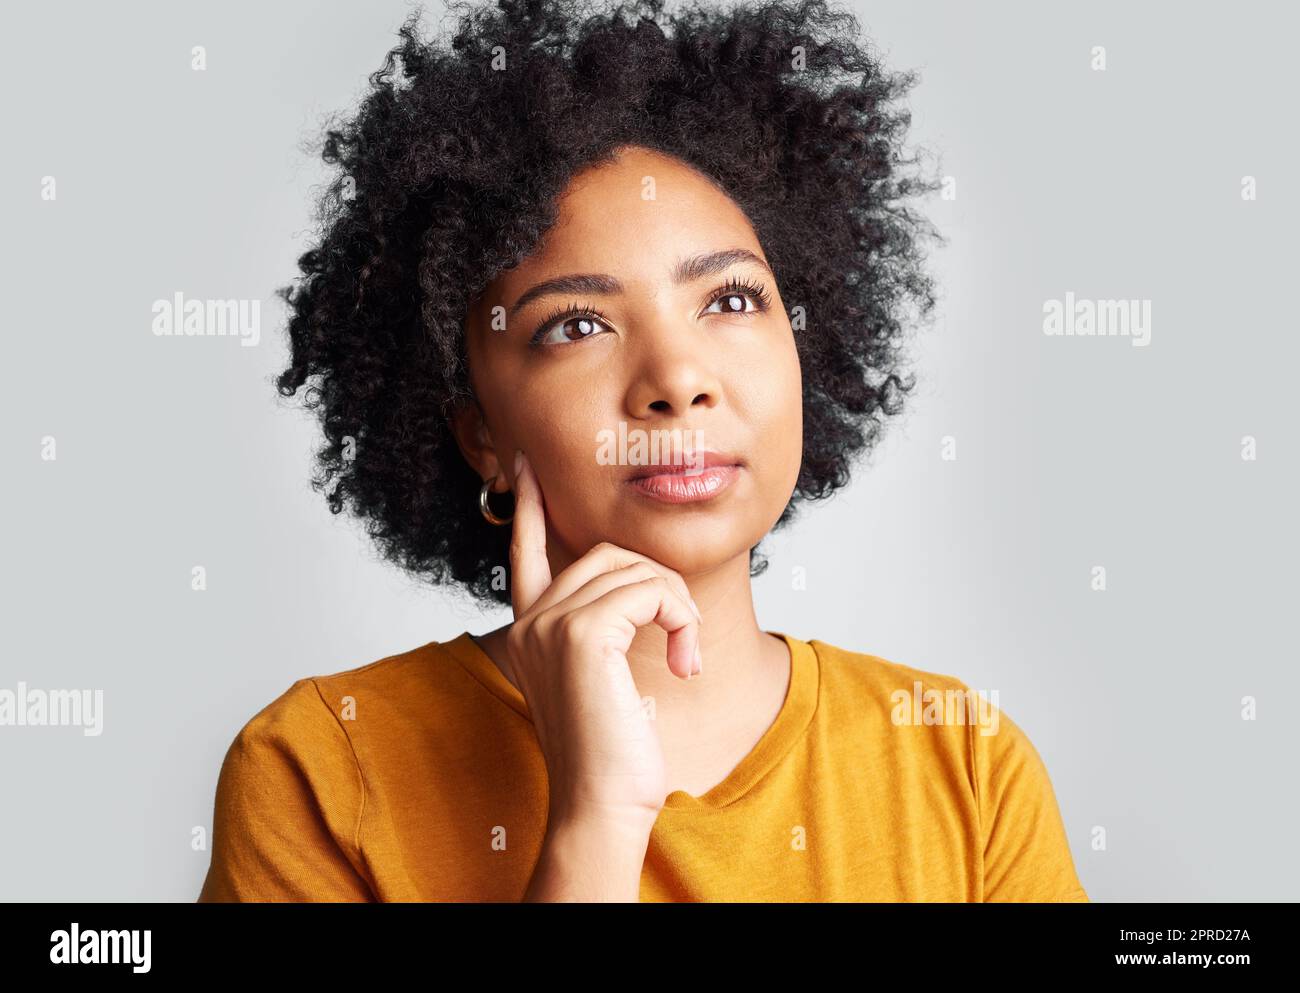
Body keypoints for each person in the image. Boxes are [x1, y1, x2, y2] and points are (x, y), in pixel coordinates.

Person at [198, 0, 1087, 902]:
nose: (677, 378)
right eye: (576, 324)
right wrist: (596, 816)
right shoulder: (319, 769)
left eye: (731, 301)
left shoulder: (964, 762)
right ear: (482, 437)